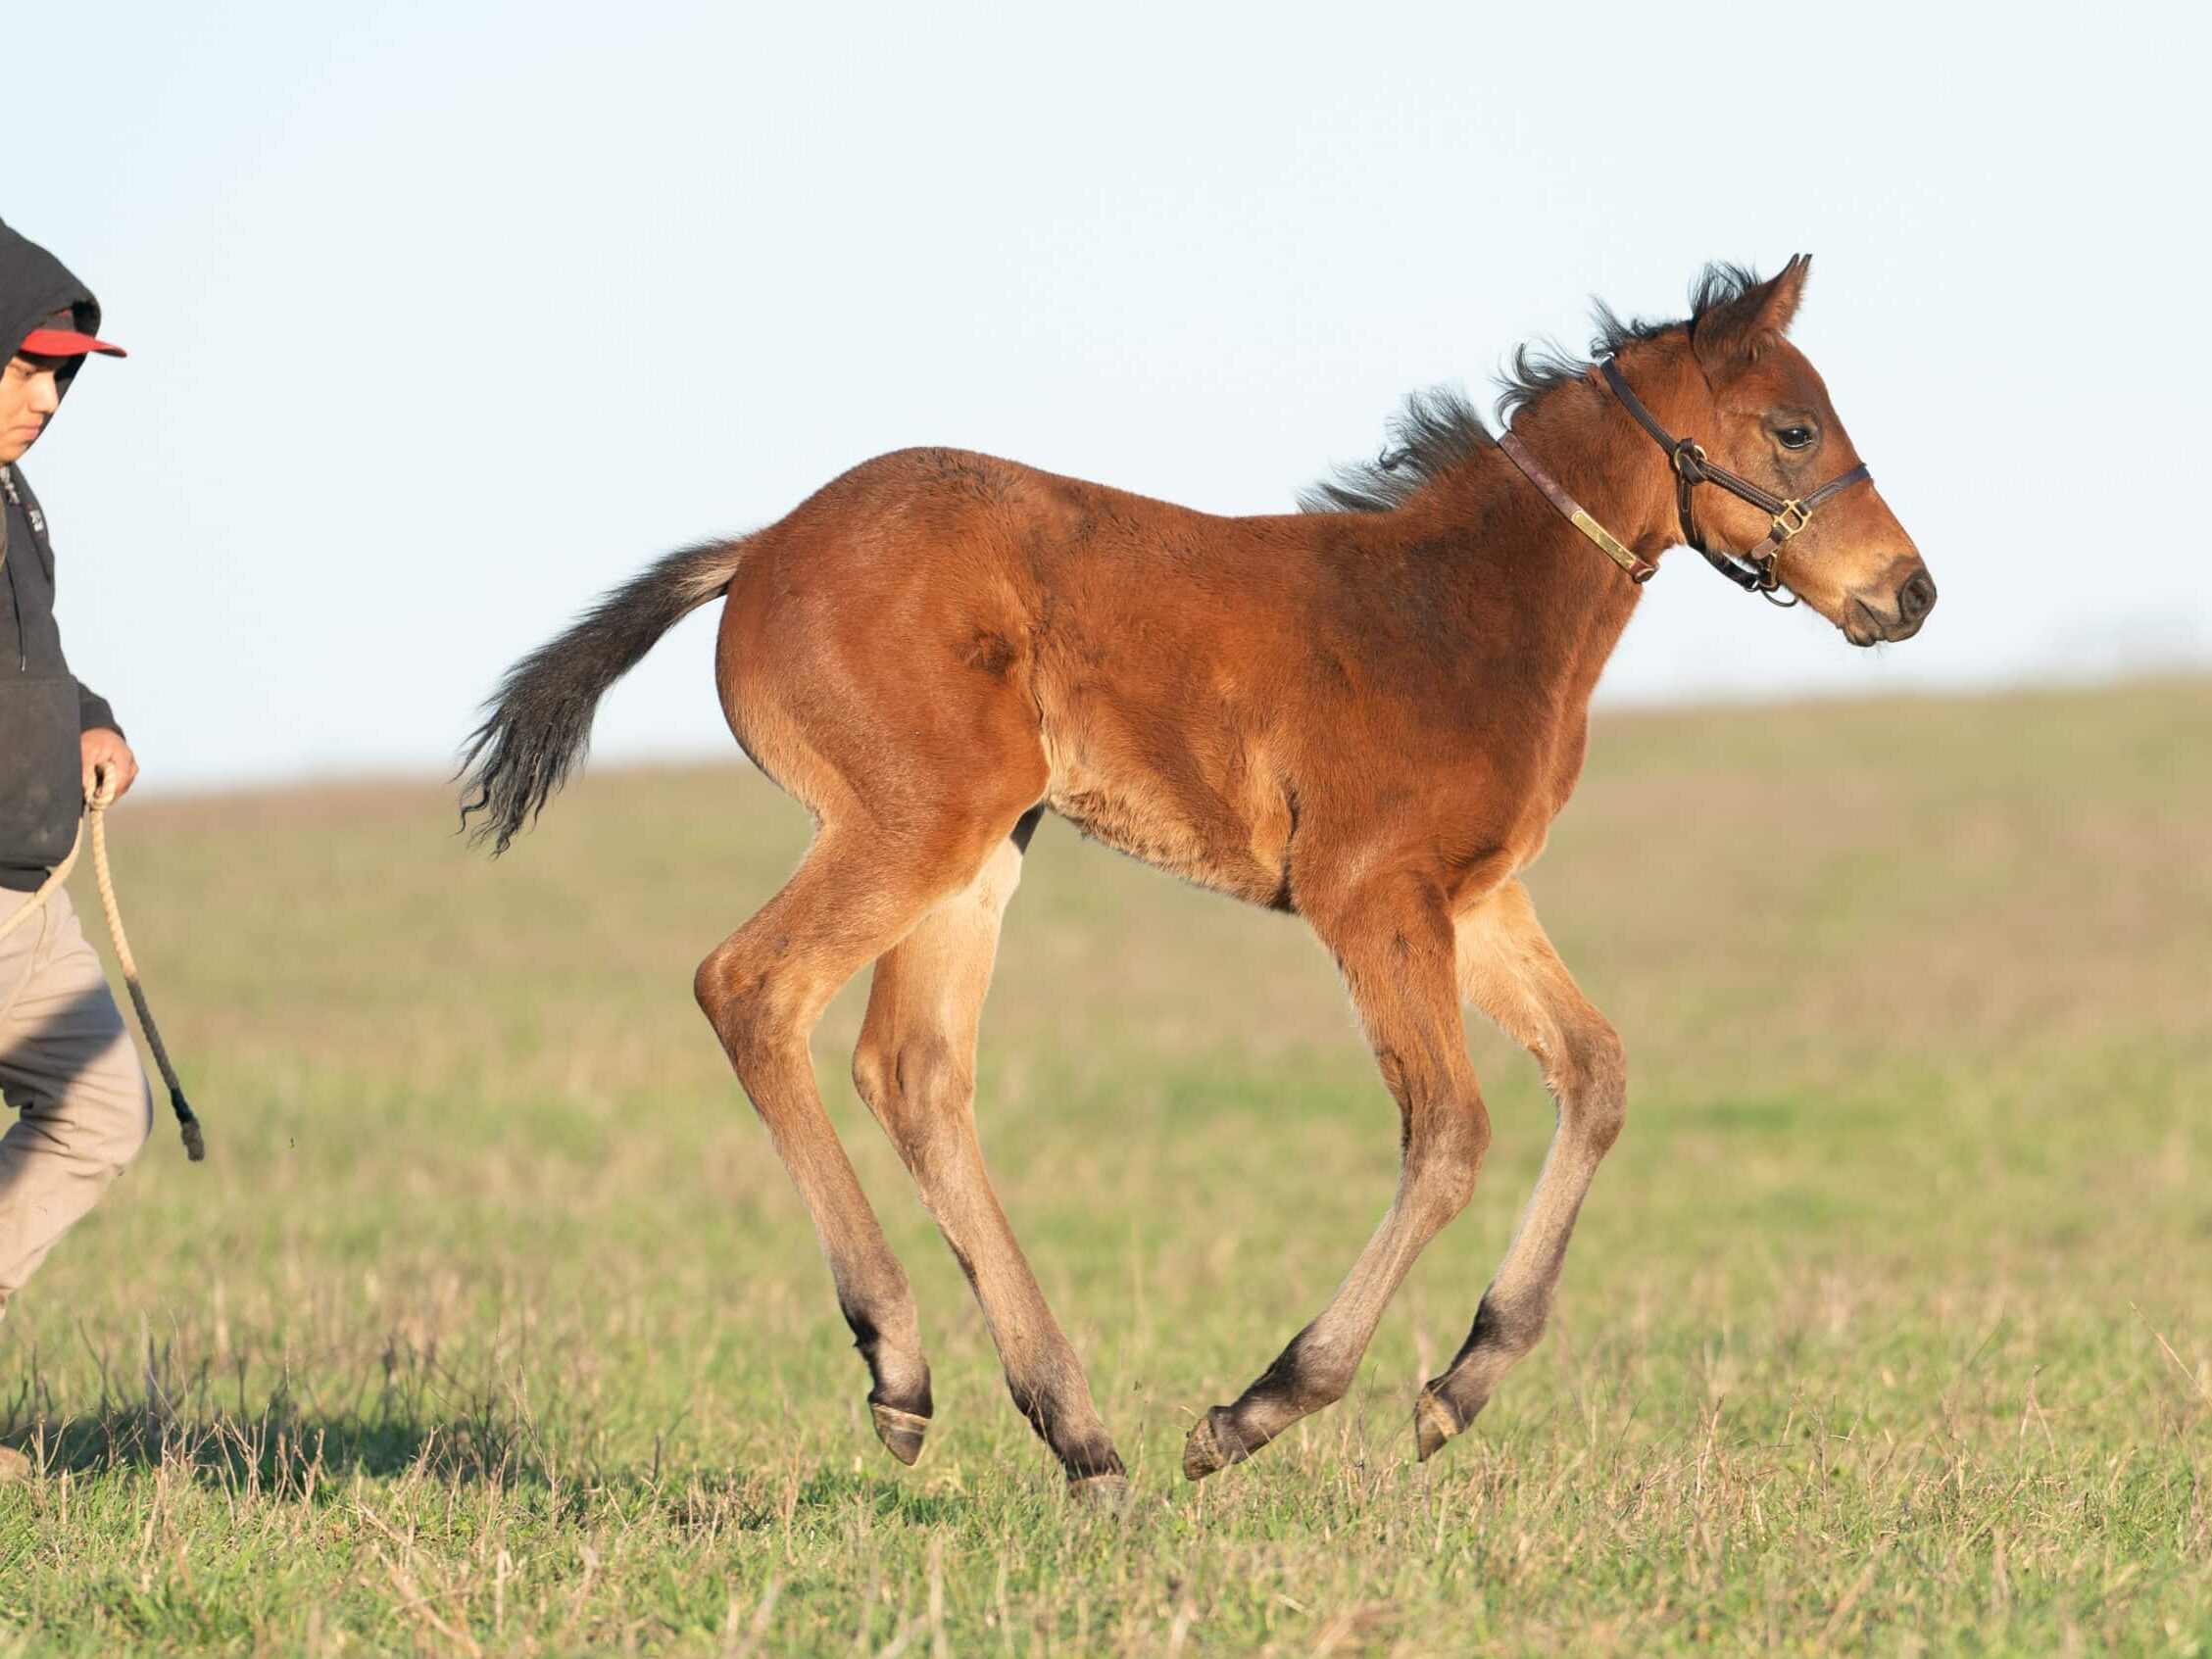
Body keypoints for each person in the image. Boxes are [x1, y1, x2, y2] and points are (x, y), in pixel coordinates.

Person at [0, 220, 151, 1482]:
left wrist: (87, 718)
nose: (47, 397)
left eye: (63, 374)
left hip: (23, 900)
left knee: (100, 1110)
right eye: (25, 366)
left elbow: (26, 671)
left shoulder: (11, 494)